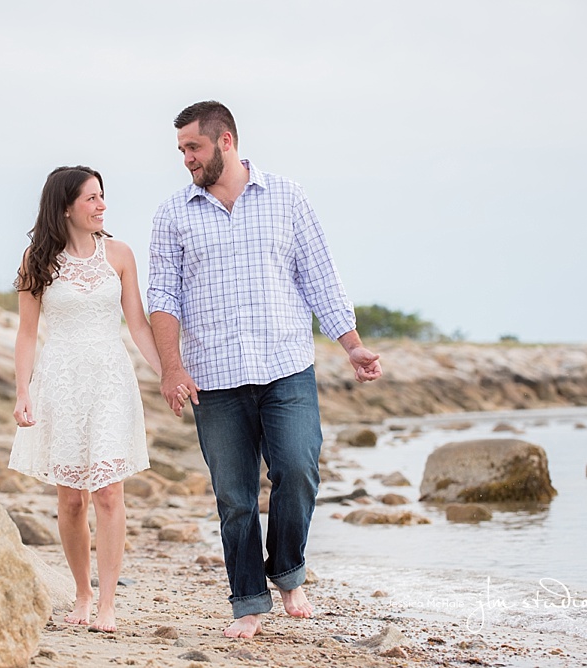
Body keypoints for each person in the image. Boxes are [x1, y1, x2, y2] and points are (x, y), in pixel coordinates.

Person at [147, 101, 383, 639]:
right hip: (214, 376)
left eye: (193, 147)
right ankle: (249, 603)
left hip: (286, 366)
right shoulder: (173, 214)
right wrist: (170, 368)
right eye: (181, 149)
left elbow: (319, 276)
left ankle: (288, 570)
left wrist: (352, 345)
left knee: (298, 471)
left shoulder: (286, 196)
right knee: (234, 498)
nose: (186, 158)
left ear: (225, 141)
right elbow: (162, 296)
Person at [9, 165, 162, 634]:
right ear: (65, 207)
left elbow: (137, 324)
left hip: (110, 380)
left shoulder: (119, 254)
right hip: (60, 381)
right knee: (71, 498)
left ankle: (109, 603)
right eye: (92, 198)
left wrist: (169, 374)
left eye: (102, 196)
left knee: (109, 491)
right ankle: (82, 591)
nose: (102, 206)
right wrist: (22, 392)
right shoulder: (37, 259)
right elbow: (27, 333)